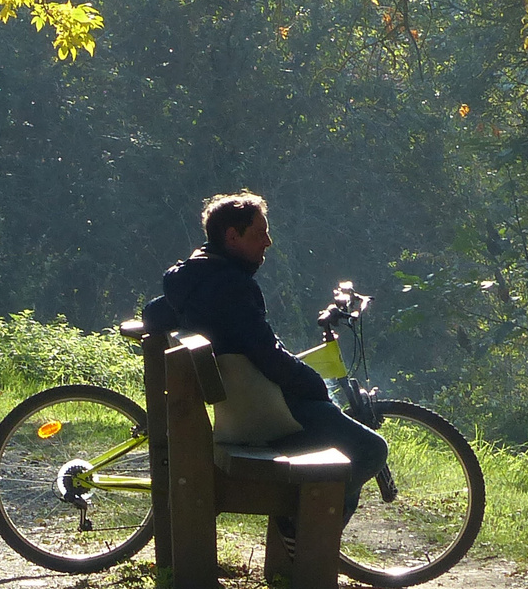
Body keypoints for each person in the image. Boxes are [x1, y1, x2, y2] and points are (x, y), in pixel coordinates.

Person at [150, 191, 388, 525]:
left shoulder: (192, 279)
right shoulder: (231, 286)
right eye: (260, 233)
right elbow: (265, 353)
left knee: (336, 426)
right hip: (263, 412)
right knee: (370, 449)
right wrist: (313, 383)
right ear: (232, 236)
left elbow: (153, 315)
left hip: (240, 403)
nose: (268, 242)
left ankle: (301, 537)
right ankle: (304, 542)